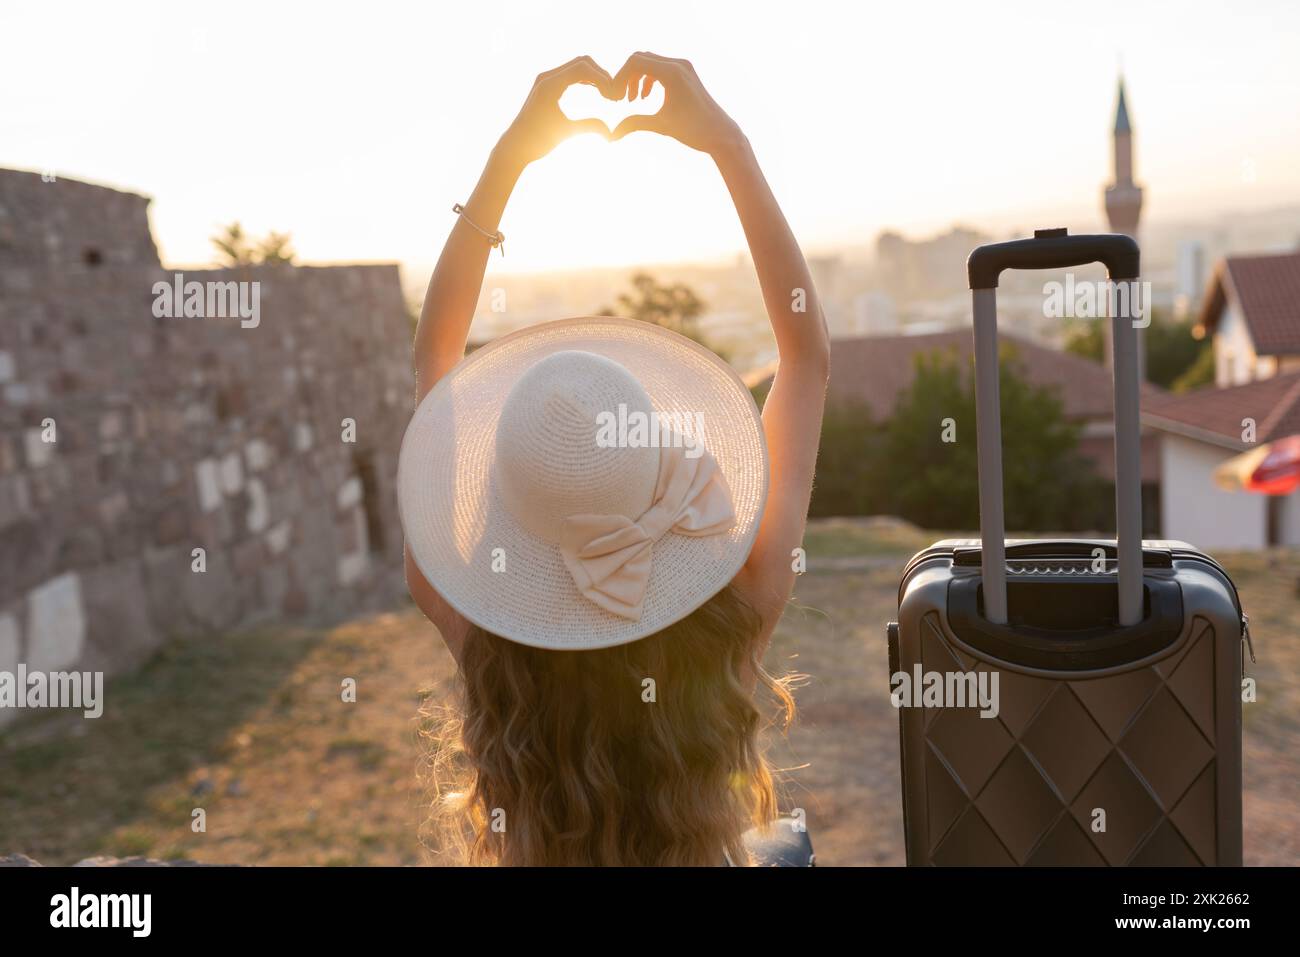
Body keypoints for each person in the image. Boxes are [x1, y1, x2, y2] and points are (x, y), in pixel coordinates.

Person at [401, 53, 829, 865]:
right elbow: (804, 353)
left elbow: (435, 356)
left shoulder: (483, 639)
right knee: (787, 850)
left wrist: (510, 158)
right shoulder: (733, 615)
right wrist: (726, 145)